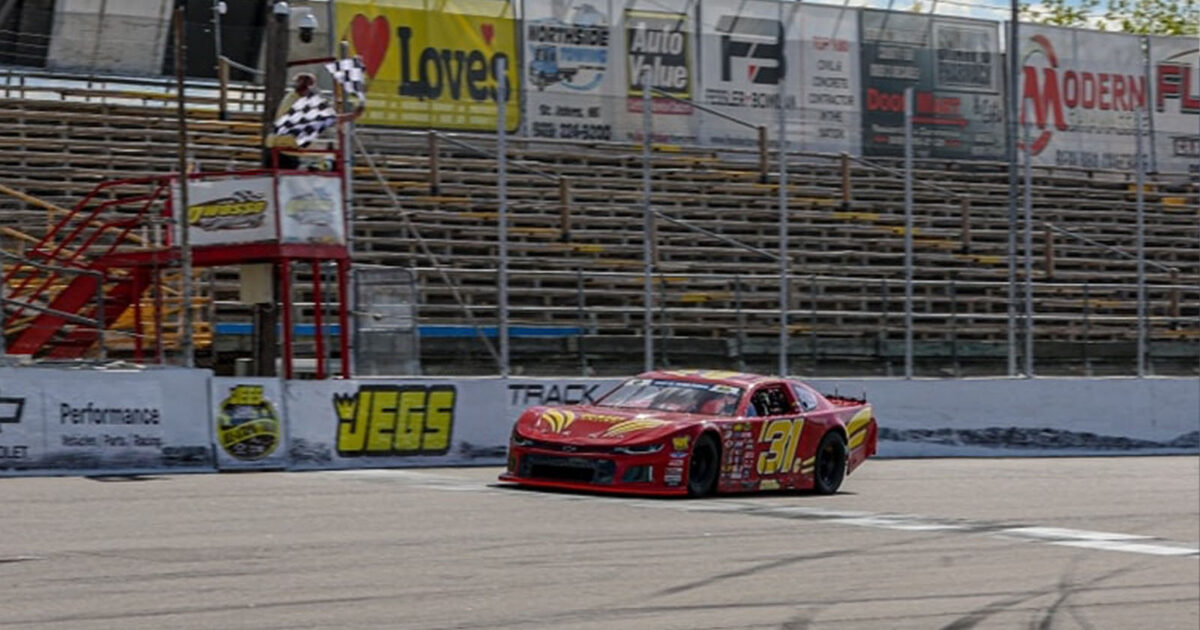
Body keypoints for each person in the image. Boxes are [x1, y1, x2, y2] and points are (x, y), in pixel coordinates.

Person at [263, 72, 364, 170]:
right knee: (326, 151)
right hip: (282, 151)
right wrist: (352, 115)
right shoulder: (298, 102)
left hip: (281, 148)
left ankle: (322, 165)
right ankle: (324, 165)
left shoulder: (293, 97)